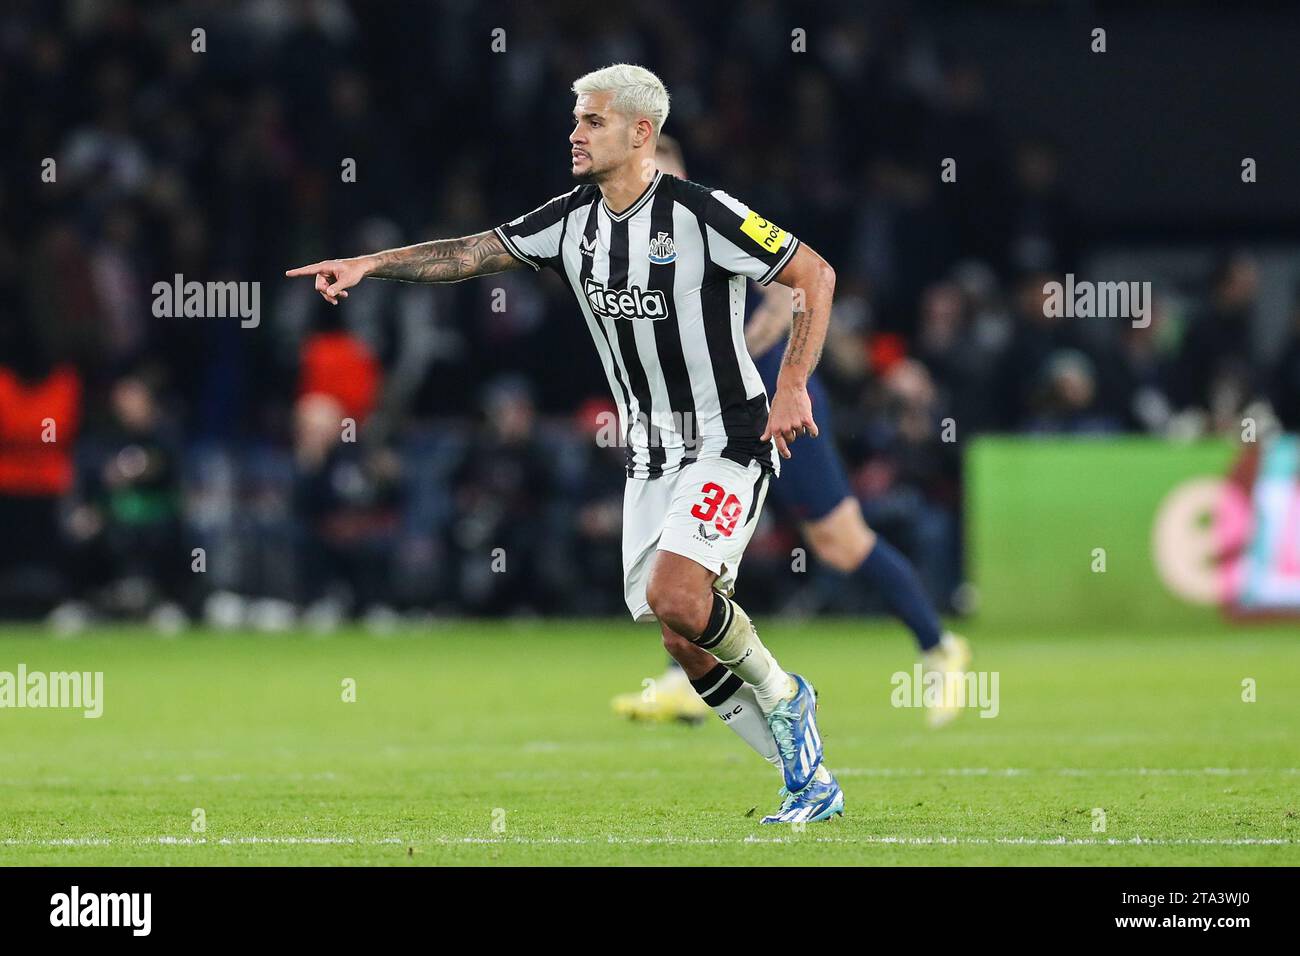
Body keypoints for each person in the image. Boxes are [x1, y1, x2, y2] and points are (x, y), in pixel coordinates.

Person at [286, 64, 842, 823]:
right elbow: (469, 253)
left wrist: (793, 387)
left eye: (592, 121)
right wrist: (372, 265)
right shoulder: (570, 220)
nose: (574, 134)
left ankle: (785, 697)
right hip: (648, 454)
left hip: (728, 437)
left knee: (678, 594)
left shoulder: (702, 213)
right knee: (682, 637)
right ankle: (806, 776)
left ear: (641, 133)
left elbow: (815, 274)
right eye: (576, 120)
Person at [613, 137, 971, 730]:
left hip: (776, 401)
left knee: (839, 542)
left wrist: (739, 353)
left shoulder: (706, 218)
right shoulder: (624, 242)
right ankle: (688, 682)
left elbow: (790, 291)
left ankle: (939, 646)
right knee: (693, 541)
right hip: (710, 415)